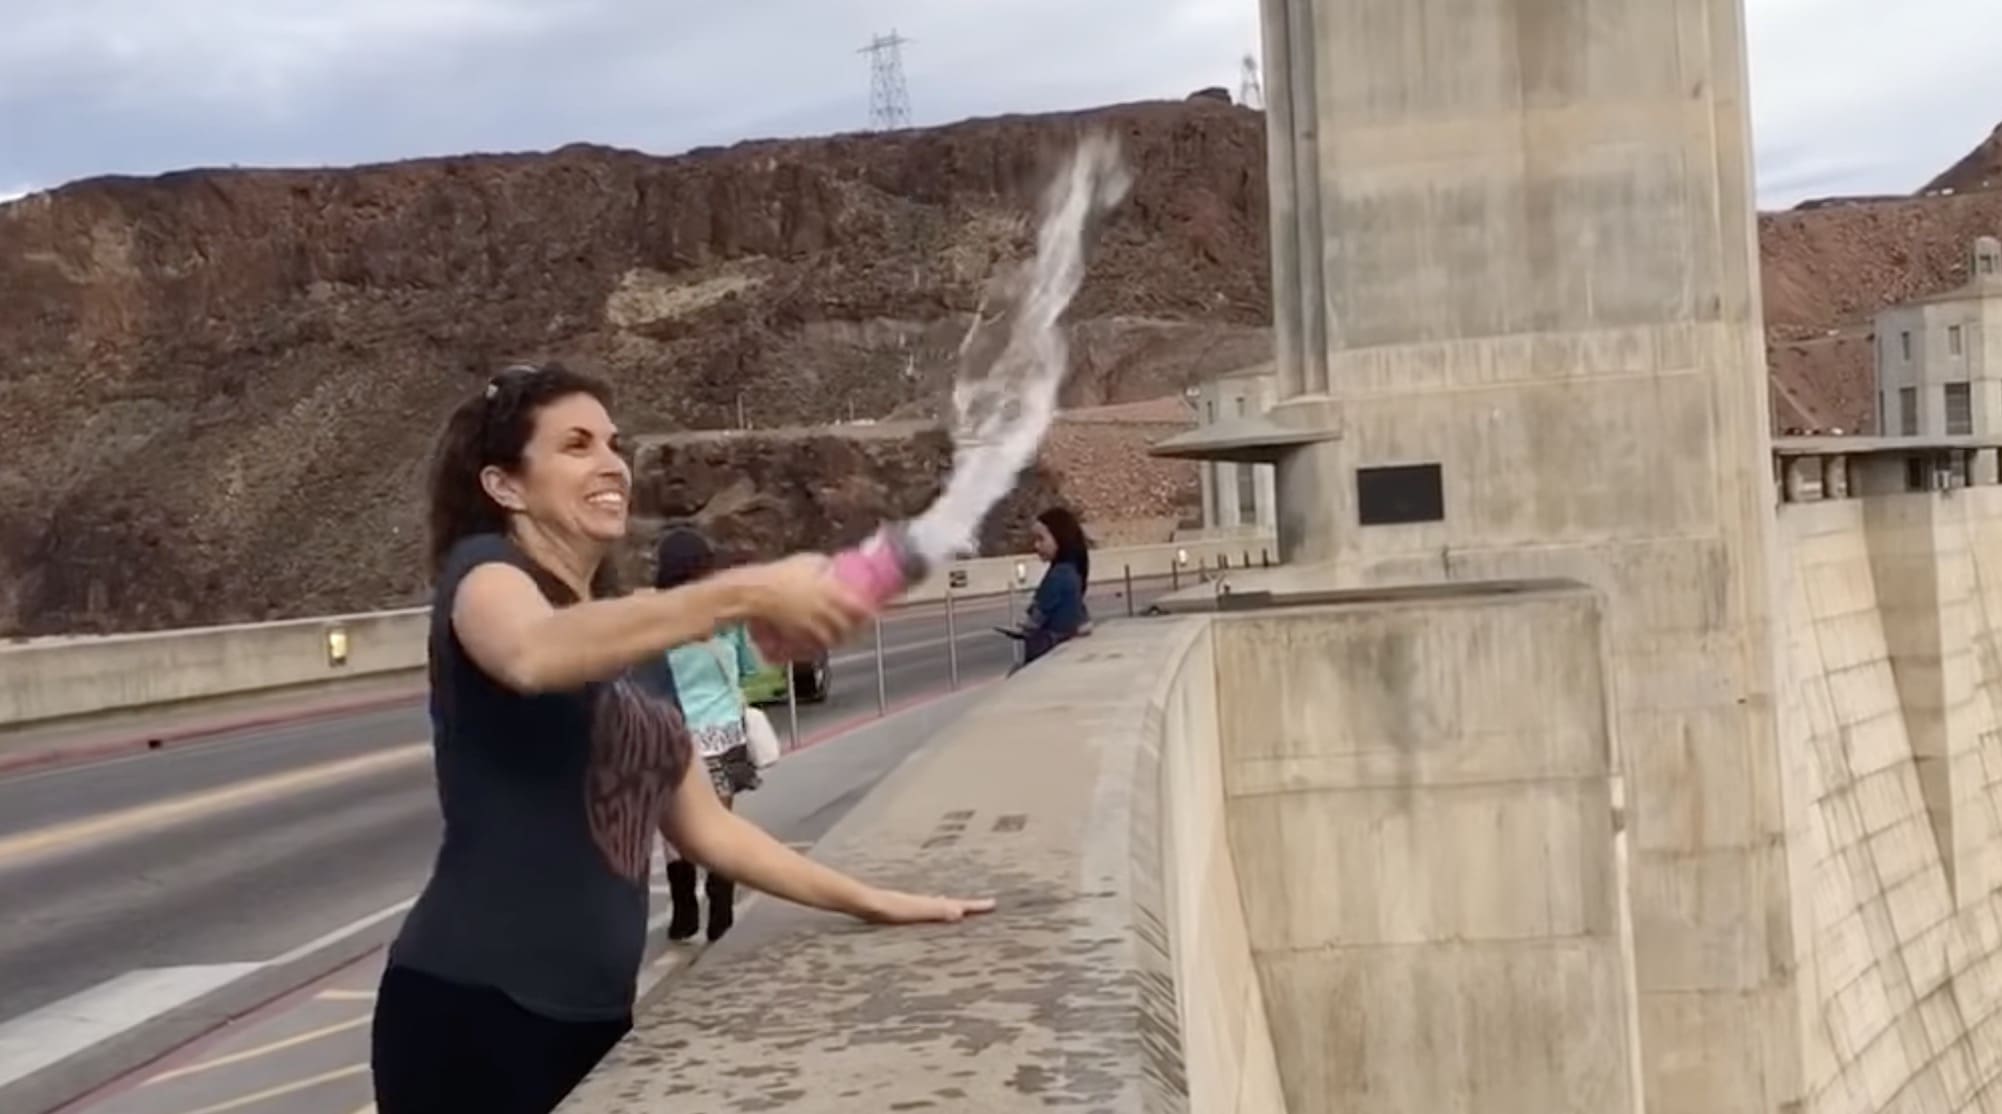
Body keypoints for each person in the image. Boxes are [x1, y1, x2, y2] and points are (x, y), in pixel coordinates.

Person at [371, 363, 992, 1114]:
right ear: (506, 485)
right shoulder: (486, 574)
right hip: (472, 1013)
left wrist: (870, 899)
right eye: (575, 445)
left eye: (613, 443)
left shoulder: (631, 639)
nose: (611, 463)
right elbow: (532, 653)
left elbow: (707, 829)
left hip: (592, 1019)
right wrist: (746, 592)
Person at [652, 526, 761, 942]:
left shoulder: (654, 620)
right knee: (720, 822)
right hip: (723, 734)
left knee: (675, 826)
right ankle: (721, 913)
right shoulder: (726, 618)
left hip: (673, 736)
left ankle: (684, 913)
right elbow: (748, 668)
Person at [1018, 507, 1092, 667]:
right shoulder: (1073, 572)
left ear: (1060, 537)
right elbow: (1083, 622)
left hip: (1046, 656)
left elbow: (1032, 623)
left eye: (1041, 539)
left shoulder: (1058, 576)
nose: (1036, 546)